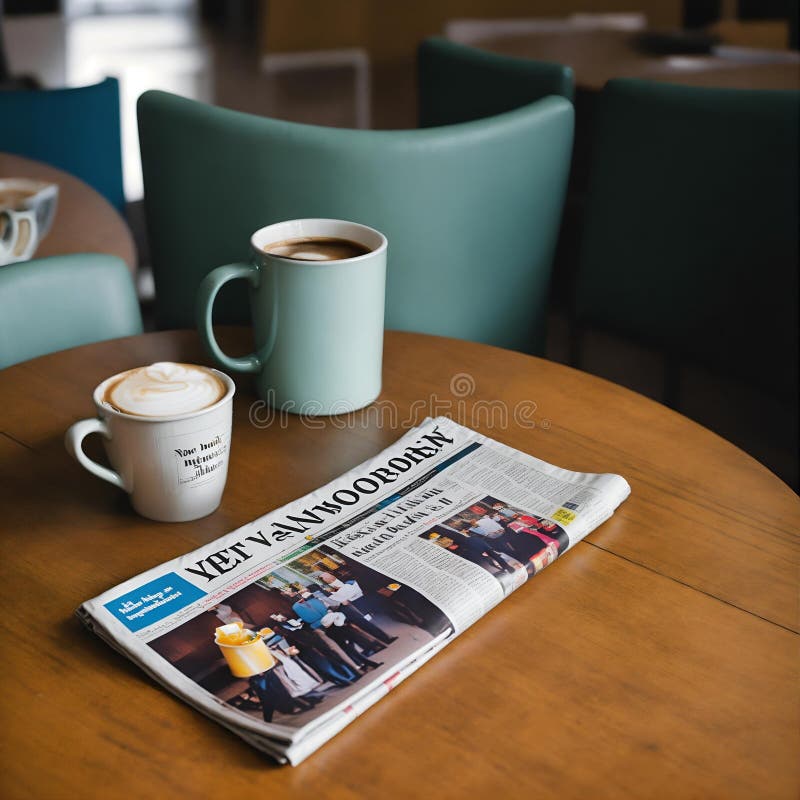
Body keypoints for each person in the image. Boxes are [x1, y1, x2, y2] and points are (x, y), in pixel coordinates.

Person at [270, 614, 359, 686]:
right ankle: (348, 678)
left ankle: (348, 678)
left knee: (331, 663)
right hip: (312, 648)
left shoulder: (292, 631)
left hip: (313, 647)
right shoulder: (291, 634)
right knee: (331, 664)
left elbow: (303, 638)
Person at [321, 578, 398, 645]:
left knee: (363, 626)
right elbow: (344, 602)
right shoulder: (328, 589)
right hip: (347, 609)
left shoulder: (327, 589)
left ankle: (381, 641)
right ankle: (384, 639)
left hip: (344, 610)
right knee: (365, 625)